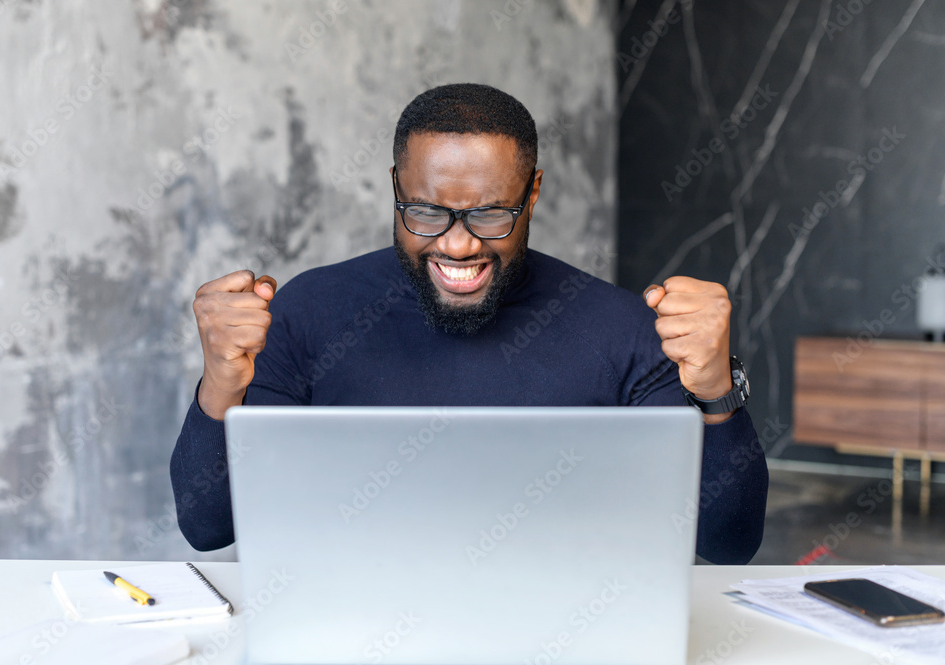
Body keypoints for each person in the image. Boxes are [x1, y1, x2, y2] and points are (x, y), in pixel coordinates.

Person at [170, 83, 768, 564]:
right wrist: (221, 384)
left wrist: (715, 389)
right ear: (395, 186)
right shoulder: (309, 312)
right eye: (426, 211)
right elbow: (207, 526)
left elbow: (727, 544)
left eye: (489, 213)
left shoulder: (623, 329)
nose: (457, 245)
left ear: (533, 192)